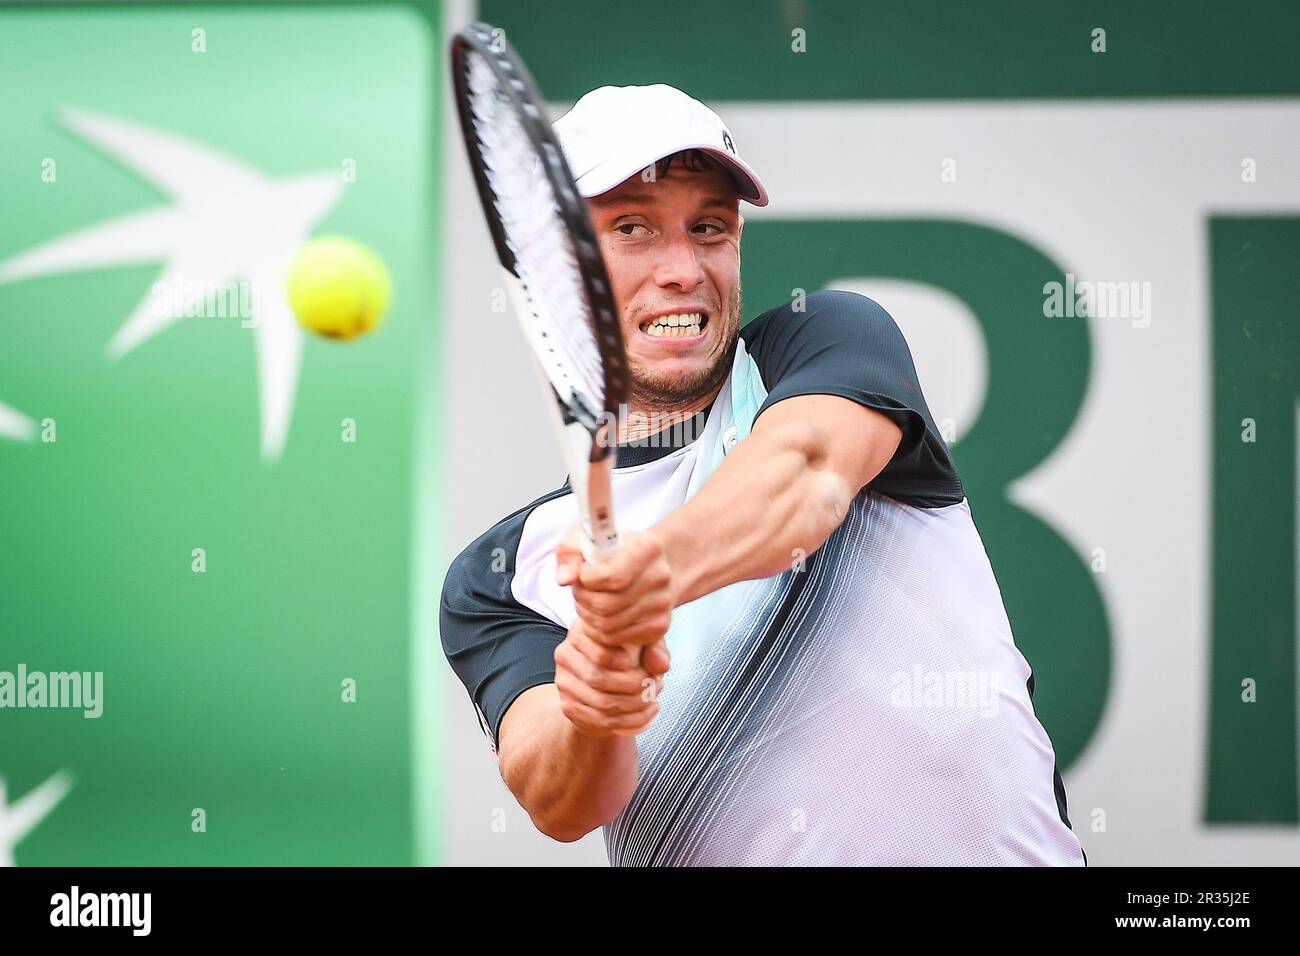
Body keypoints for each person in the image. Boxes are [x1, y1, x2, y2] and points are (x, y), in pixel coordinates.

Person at [441, 83, 1086, 866]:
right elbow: (563, 802)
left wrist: (653, 574)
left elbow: (806, 477)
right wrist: (596, 701)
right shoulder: (502, 575)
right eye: (633, 228)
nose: (682, 268)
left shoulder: (825, 343)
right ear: (555, 269)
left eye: (708, 226)